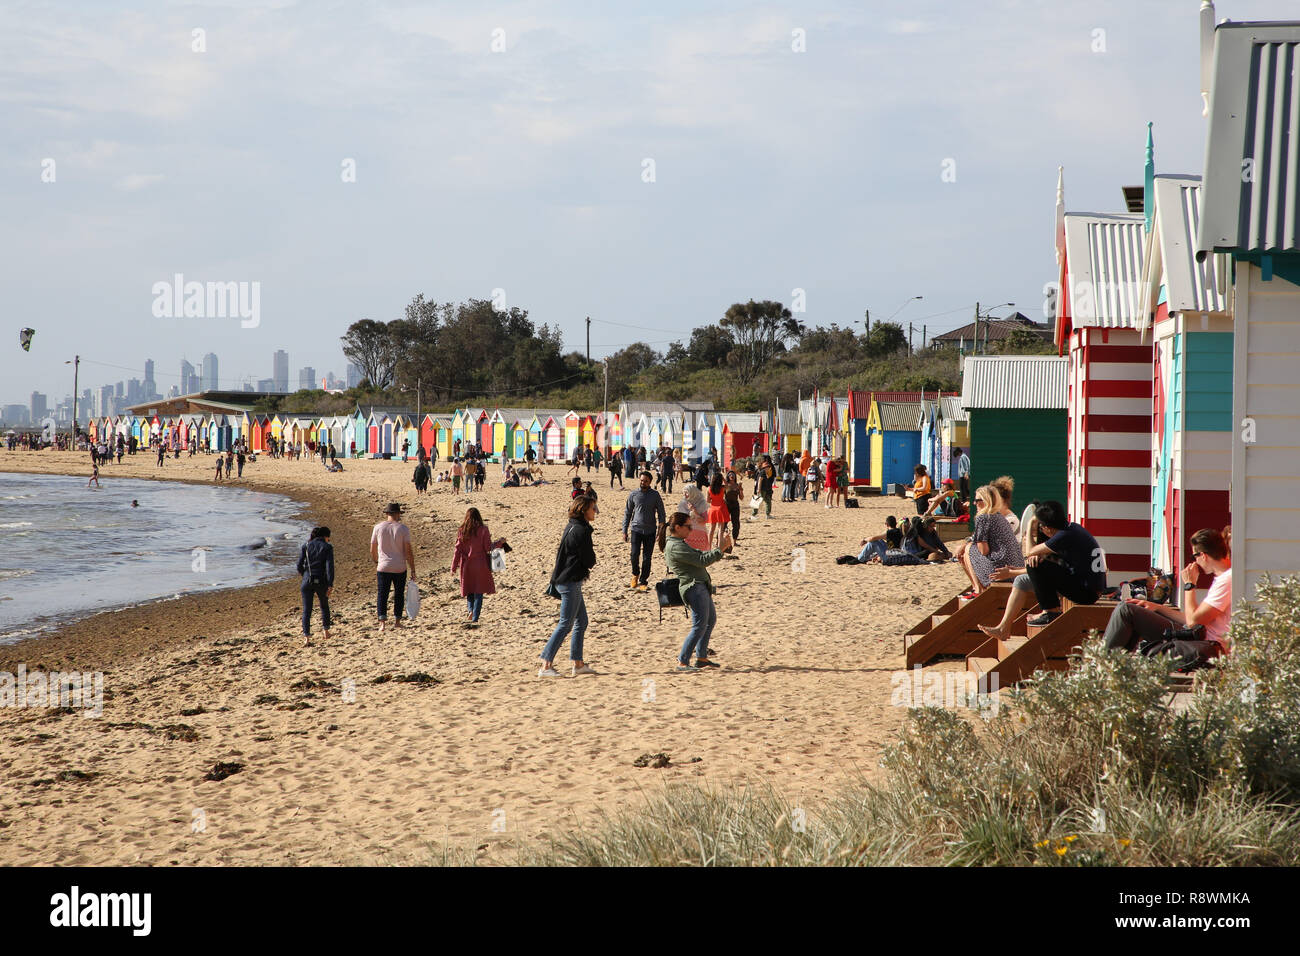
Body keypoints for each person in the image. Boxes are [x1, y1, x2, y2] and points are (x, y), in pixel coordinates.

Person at [1101, 528, 1232, 669]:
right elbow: (1193, 619)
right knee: (1129, 610)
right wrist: (1158, 608)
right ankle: (1110, 669)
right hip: (1195, 637)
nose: (1195, 562)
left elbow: (1193, 621)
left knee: (1125, 610)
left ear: (1203, 555)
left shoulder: (1227, 580)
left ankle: (1101, 669)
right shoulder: (1223, 578)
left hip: (1203, 645)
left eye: (1194, 557)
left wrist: (1190, 585)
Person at [978, 501, 1106, 639]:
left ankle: (1051, 612)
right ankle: (1003, 628)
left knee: (1035, 562)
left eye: (1039, 526)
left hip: (1087, 593)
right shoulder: (1071, 529)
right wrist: (1013, 572)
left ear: (1047, 528)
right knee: (1023, 579)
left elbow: (1030, 554)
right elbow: (1046, 570)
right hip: (1085, 587)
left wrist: (1028, 526)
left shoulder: (1064, 536)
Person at [660, 511, 731, 670]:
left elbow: (700, 556)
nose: (691, 529)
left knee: (709, 621)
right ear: (677, 528)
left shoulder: (679, 543)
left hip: (699, 586)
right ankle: (683, 661)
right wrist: (720, 549)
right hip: (694, 588)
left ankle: (701, 657)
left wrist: (719, 549)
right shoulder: (675, 546)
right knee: (699, 625)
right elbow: (701, 560)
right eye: (688, 527)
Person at [540, 496, 598, 677]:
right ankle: (545, 665)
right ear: (583, 510)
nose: (595, 510)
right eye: (592, 508)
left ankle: (578, 663)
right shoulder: (580, 530)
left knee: (582, 620)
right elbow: (589, 560)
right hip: (569, 581)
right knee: (566, 623)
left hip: (567, 580)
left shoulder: (573, 526)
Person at [960, 485, 1023, 594]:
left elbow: (984, 551)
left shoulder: (983, 517)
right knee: (968, 548)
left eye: (976, 500)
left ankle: (978, 589)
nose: (974, 503)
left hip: (1000, 571)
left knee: (968, 549)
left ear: (985, 501)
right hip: (1015, 570)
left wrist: (969, 545)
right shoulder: (999, 516)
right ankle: (977, 589)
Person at [451, 507, 507, 625]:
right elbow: (488, 548)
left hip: (466, 565)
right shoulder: (483, 530)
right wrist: (500, 542)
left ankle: (470, 610)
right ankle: (475, 617)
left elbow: (457, 549)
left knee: (469, 589)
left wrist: (453, 566)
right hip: (480, 563)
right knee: (479, 591)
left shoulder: (462, 530)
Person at [370, 502, 416, 632]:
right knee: (399, 594)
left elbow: (372, 548)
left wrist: (376, 561)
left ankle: (382, 623)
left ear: (387, 514)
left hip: (383, 566)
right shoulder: (403, 529)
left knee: (382, 594)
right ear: (397, 514)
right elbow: (408, 552)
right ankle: (397, 621)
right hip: (399, 566)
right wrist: (412, 568)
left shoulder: (378, 527)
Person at [622, 471, 665, 591]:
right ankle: (635, 574)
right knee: (634, 555)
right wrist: (624, 530)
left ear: (650, 482)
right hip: (636, 529)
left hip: (650, 531)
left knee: (647, 558)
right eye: (641, 480)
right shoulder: (633, 494)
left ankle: (643, 581)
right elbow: (628, 513)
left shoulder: (655, 495)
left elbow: (661, 513)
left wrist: (660, 531)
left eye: (645, 481)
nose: (643, 483)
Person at [297, 526, 334, 646]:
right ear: (325, 536)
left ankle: (307, 637)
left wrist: (305, 575)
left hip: (307, 580)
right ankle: (326, 631)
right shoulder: (327, 547)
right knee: (324, 605)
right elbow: (329, 567)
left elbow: (299, 565)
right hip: (321, 580)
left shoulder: (306, 546)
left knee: (307, 610)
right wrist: (330, 584)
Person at [706, 473, 730, 550]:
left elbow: (708, 501)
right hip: (721, 508)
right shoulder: (722, 488)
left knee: (711, 529)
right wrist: (723, 478)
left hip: (713, 509)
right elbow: (728, 485)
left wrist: (713, 499)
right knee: (720, 529)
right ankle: (719, 547)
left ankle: (708, 547)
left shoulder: (709, 488)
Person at [723, 470, 742, 543]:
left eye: (733, 475)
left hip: (735, 505)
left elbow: (741, 498)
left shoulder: (737, 485)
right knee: (724, 523)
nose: (732, 476)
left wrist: (740, 490)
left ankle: (734, 541)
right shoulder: (725, 485)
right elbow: (721, 495)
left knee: (736, 523)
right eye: (730, 475)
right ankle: (721, 539)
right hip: (727, 504)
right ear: (728, 476)